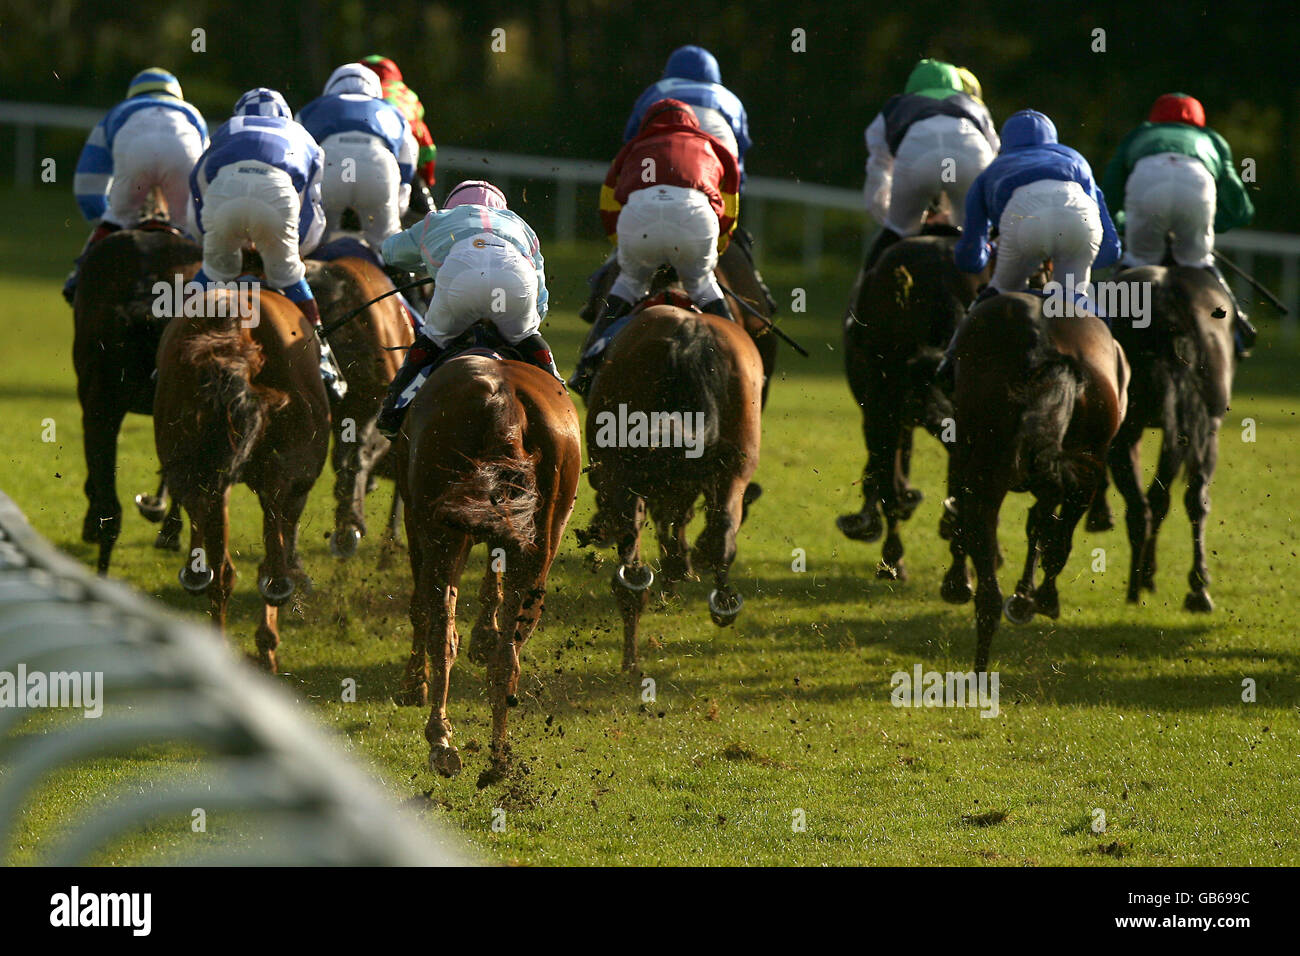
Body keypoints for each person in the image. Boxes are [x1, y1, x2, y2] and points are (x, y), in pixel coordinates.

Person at [935, 109, 1122, 385]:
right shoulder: (1075, 159)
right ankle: (1110, 361)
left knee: (996, 294)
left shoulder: (992, 170)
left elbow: (969, 260)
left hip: (1024, 219)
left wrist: (990, 250)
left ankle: (949, 363)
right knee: (1075, 299)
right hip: (1079, 216)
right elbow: (1110, 250)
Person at [568, 99, 740, 397]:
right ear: (691, 124)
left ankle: (586, 364)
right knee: (702, 285)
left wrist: (625, 252)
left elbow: (608, 207)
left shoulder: (634, 146)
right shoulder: (712, 146)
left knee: (628, 284)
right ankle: (737, 359)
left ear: (648, 124)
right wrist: (717, 247)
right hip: (694, 220)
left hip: (640, 223)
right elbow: (730, 206)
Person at [188, 88, 346, 399]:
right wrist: (291, 253)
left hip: (223, 196)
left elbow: (197, 186)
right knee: (289, 276)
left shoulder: (228, 130)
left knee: (213, 274)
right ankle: (323, 356)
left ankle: (172, 340)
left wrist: (207, 239)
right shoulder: (301, 135)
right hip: (276, 198)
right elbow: (312, 214)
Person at [375, 180, 562, 439]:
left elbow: (391, 253)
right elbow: (540, 291)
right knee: (527, 337)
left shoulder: (439, 219)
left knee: (433, 340)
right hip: (515, 280)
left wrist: (427, 261)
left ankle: (393, 409)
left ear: (453, 205)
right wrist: (528, 324)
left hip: (461, 278)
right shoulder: (520, 225)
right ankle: (557, 390)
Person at [1102, 92, 1257, 356]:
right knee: (1198, 261)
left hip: (1147, 185)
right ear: (1199, 122)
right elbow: (1241, 211)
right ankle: (1239, 325)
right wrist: (1208, 225)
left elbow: (1109, 201)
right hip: (1196, 186)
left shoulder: (1139, 135)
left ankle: (1105, 322)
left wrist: (1125, 224)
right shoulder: (1213, 140)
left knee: (1138, 261)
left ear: (1154, 119)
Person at [64, 68, 208, 304]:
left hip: (135, 156)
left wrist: (106, 219)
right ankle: (220, 284)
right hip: (183, 154)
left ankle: (77, 277)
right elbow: (207, 174)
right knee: (189, 226)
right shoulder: (192, 113)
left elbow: (88, 183)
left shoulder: (118, 112)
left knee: (118, 219)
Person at [861, 58, 999, 272]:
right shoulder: (974, 105)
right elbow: (994, 155)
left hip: (918, 163)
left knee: (895, 232)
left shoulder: (896, 106)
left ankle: (863, 296)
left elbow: (879, 167)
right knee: (977, 236)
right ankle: (1005, 290)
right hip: (968, 161)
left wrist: (890, 219)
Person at [297, 64, 417, 249]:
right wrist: (400, 198)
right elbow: (408, 153)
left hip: (331, 173)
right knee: (389, 245)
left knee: (313, 242)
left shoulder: (313, 109)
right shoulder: (392, 111)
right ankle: (402, 274)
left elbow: (296, 154)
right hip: (376, 171)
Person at [360, 55, 437, 194]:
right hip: (402, 160)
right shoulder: (408, 96)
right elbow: (426, 146)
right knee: (421, 210)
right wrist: (427, 179)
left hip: (358, 161)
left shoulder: (356, 92)